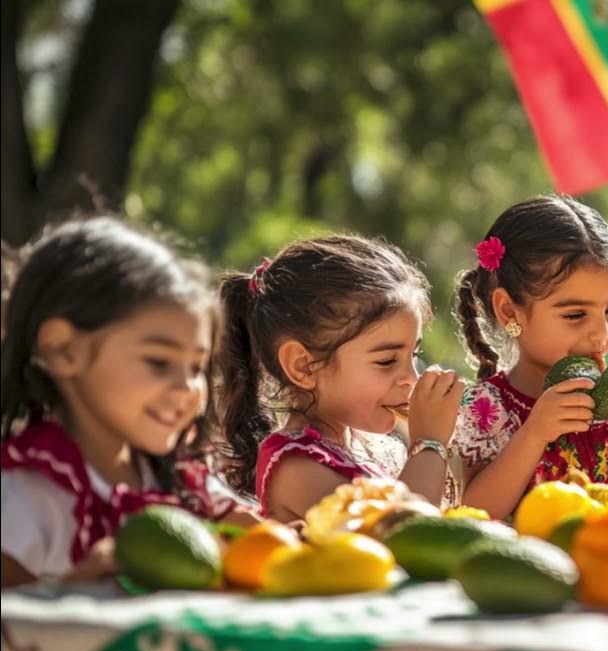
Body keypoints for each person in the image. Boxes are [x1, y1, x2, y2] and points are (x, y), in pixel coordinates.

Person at [1, 217, 249, 588]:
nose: (188, 389)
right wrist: (74, 590)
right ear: (63, 349)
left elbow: (261, 543)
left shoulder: (184, 481)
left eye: (197, 367)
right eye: (158, 362)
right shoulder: (24, 493)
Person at [215, 234, 462, 519]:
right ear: (303, 367)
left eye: (414, 356)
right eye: (387, 361)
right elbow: (404, 536)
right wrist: (430, 442)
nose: (410, 377)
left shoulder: (373, 447)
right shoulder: (296, 466)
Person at [452, 196, 608, 518]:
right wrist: (534, 434)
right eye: (575, 314)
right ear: (509, 311)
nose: (601, 333)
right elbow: (473, 514)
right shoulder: (484, 408)